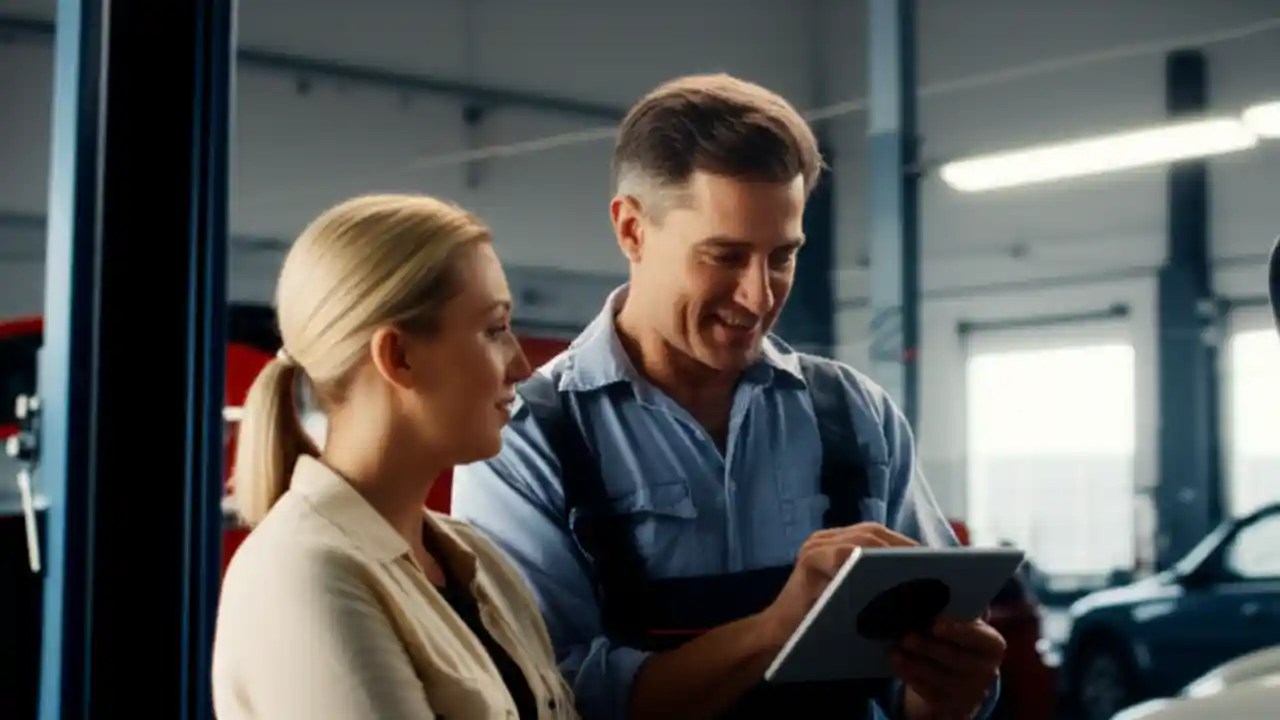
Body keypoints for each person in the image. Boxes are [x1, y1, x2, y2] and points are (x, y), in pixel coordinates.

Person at [452, 74, 1006, 719]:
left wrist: (948, 689)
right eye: (724, 256)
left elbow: (909, 688)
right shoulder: (519, 437)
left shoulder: (858, 415)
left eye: (782, 257)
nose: (758, 296)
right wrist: (777, 628)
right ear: (632, 230)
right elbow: (549, 696)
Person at [211, 194, 578, 719]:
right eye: (495, 329)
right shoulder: (305, 573)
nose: (521, 365)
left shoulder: (480, 562)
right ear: (399, 356)